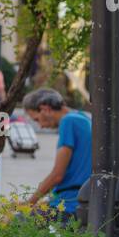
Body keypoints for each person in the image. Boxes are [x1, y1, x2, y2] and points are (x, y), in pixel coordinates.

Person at [23, 88, 91, 219]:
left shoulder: (68, 121)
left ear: (45, 109)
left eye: (37, 120)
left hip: (70, 204)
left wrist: (29, 204)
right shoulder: (83, 118)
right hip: (81, 200)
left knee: (16, 223)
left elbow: (57, 175)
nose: (40, 126)